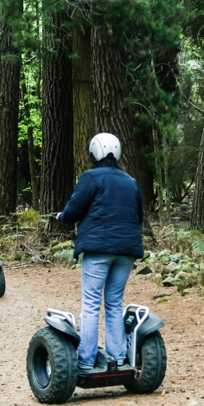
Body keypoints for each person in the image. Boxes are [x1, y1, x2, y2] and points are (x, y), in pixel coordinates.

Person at [57, 133, 145, 373]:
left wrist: (61, 217)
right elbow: (139, 216)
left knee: (91, 304)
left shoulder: (90, 177)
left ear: (93, 153)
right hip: (126, 251)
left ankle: (86, 360)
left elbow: (73, 210)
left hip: (97, 250)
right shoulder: (131, 181)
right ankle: (117, 358)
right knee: (114, 303)